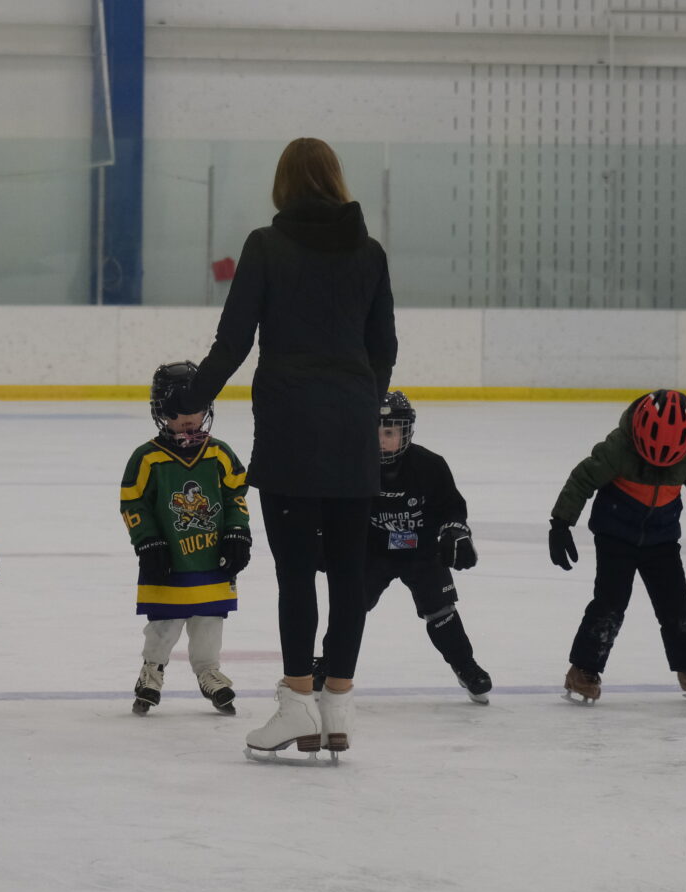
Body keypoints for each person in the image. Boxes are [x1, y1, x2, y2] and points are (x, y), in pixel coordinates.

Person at [174, 137, 397, 758]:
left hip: (292, 426)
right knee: (348, 573)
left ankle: (299, 702)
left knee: (297, 573)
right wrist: (358, 398)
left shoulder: (266, 246)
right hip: (352, 426)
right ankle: (338, 707)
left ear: (284, 185)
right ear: (336, 178)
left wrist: (191, 398)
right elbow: (384, 346)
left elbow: (234, 338)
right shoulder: (369, 253)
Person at [549, 389, 686, 704]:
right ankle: (582, 670)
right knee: (610, 604)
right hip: (614, 536)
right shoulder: (618, 448)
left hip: (661, 541)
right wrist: (561, 523)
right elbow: (582, 480)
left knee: (677, 606)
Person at [312, 392, 492, 704]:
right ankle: (330, 664)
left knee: (442, 611)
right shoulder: (352, 466)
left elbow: (452, 508)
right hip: (372, 553)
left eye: (390, 432)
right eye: (376, 431)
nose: (382, 439)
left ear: (406, 431)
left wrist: (455, 532)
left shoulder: (430, 466)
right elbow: (333, 509)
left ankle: (466, 666)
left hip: (423, 555)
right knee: (349, 608)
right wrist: (324, 539)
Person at [119, 361, 251, 717]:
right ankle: (152, 668)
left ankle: (208, 670)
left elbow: (236, 495)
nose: (189, 419)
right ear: (162, 412)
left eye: (196, 409)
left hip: (211, 558)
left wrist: (238, 532)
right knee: (164, 620)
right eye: (179, 412)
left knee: (210, 619)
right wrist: (148, 541)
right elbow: (133, 503)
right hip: (169, 557)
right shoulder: (147, 458)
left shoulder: (220, 453)